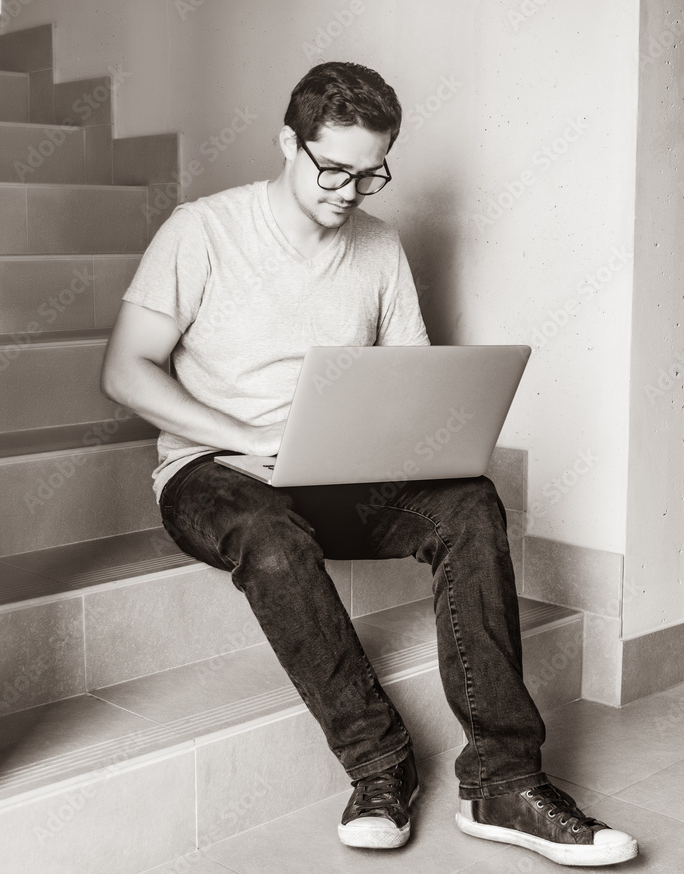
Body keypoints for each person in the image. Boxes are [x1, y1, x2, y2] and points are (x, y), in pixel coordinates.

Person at [100, 61, 637, 867]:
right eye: (334, 168)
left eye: (371, 172)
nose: (351, 190)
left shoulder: (379, 247)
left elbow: (407, 378)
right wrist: (243, 441)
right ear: (289, 142)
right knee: (270, 535)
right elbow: (126, 369)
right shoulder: (201, 230)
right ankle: (380, 765)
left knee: (470, 504)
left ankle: (502, 780)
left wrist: (420, 443)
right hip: (214, 472)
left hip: (334, 472)